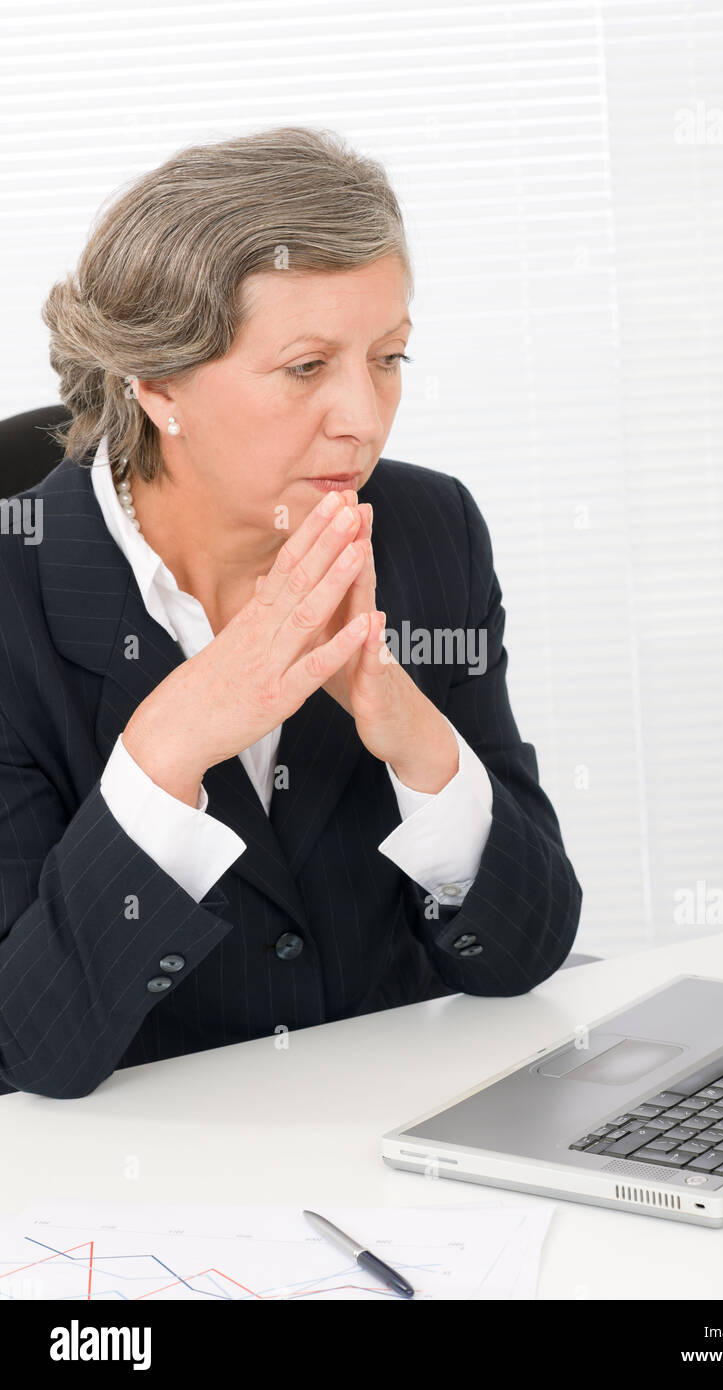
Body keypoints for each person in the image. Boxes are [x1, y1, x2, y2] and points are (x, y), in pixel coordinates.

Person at [0, 126, 581, 1099]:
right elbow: (32, 1050)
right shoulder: (15, 601)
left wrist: (415, 739)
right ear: (157, 384)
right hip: (145, 1188)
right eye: (306, 367)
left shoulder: (426, 530)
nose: (362, 417)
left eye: (387, 357)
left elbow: (522, 950)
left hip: (404, 1139)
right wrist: (167, 749)